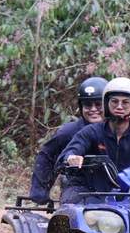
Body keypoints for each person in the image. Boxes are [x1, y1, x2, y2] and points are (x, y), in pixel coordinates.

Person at [27, 76, 108, 205]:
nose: (93, 109)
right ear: (81, 107)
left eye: (98, 104)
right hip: (77, 188)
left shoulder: (118, 131)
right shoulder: (68, 132)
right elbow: (47, 156)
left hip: (113, 188)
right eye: (88, 105)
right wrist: (40, 191)